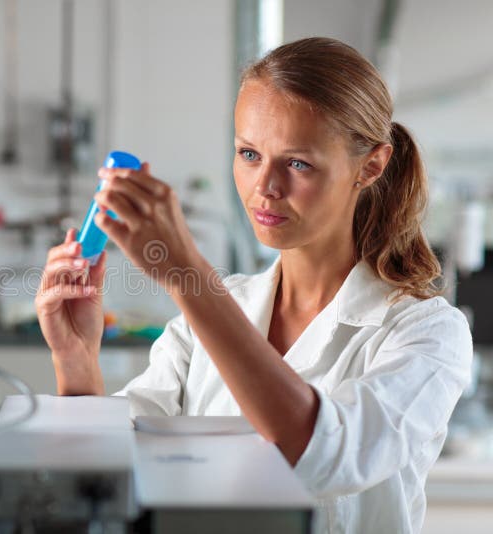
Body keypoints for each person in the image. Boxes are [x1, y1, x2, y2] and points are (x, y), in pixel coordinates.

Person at [34, 37, 472, 534]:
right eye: (248, 154)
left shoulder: (425, 333)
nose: (265, 186)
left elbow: (323, 456)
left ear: (370, 165)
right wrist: (76, 360)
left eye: (298, 163)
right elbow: (116, 468)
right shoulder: (207, 321)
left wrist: (187, 274)